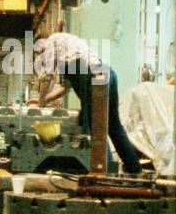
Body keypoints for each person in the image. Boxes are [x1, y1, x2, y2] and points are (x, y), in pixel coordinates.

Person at [32, 32, 142, 174]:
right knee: (114, 126)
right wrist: (45, 100)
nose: (40, 55)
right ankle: (135, 170)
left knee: (92, 128)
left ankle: (106, 174)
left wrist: (39, 107)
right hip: (107, 74)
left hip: (92, 78)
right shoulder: (69, 48)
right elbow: (65, 88)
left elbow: (46, 77)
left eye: (38, 51)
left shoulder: (51, 41)